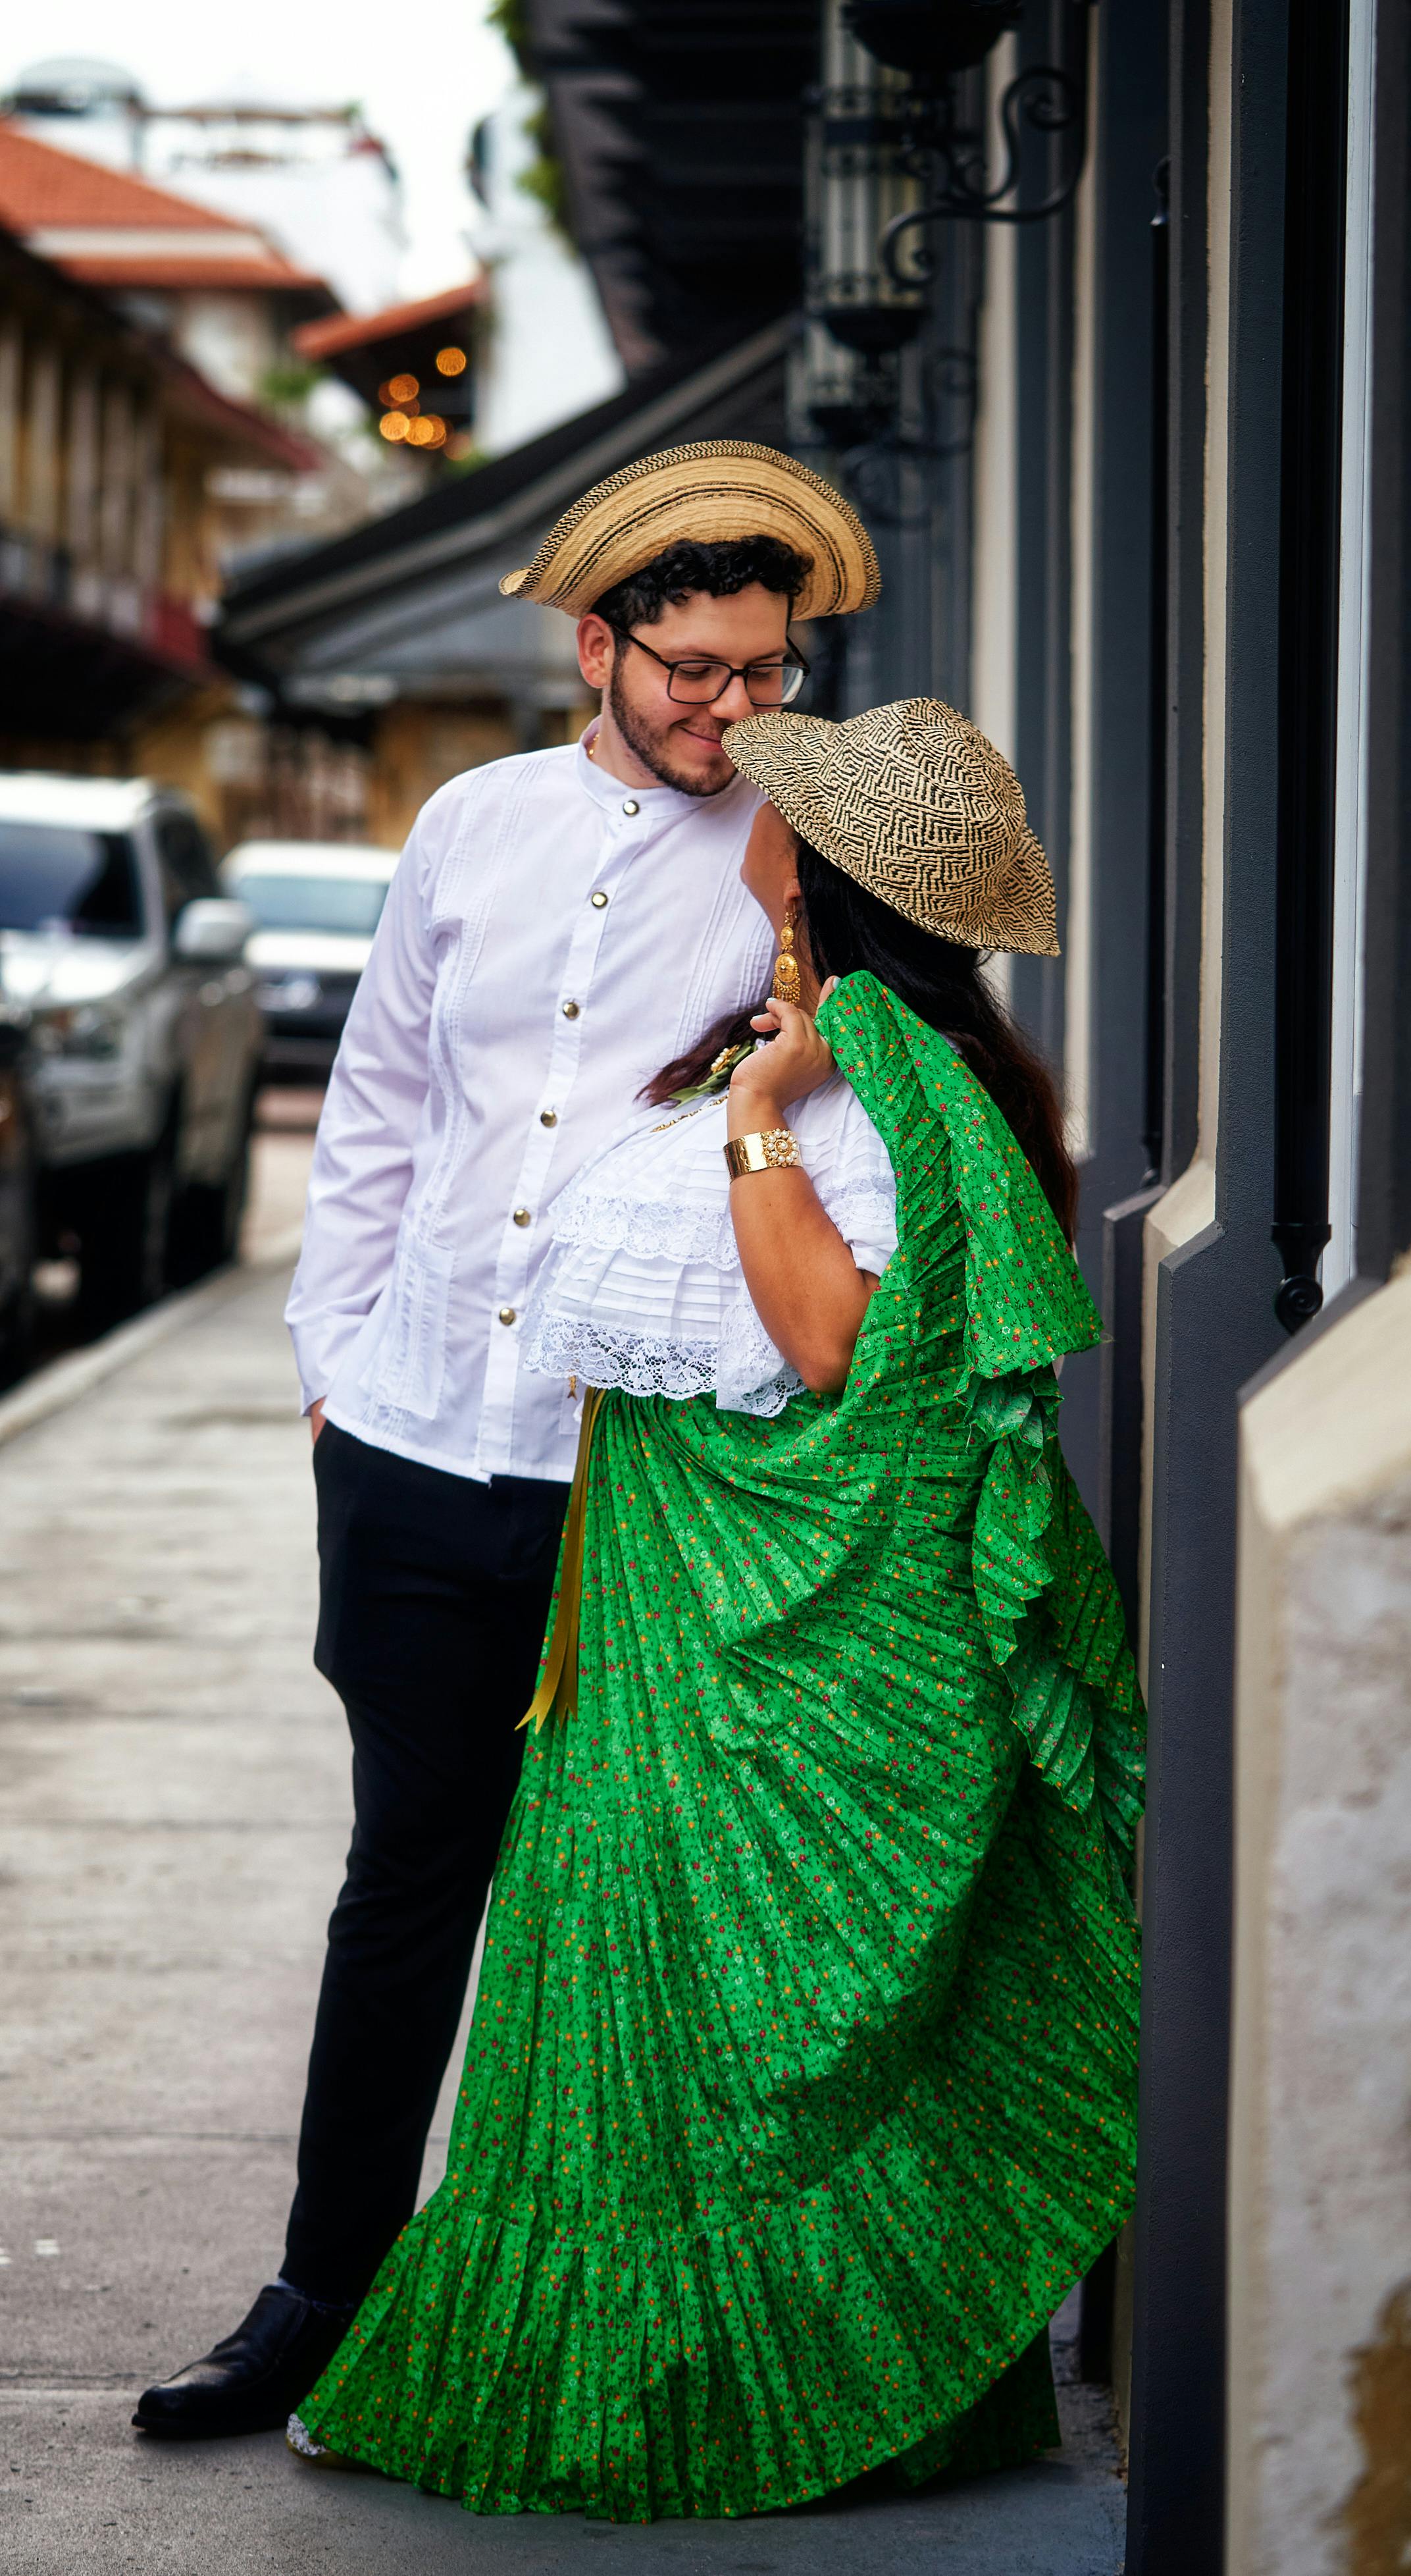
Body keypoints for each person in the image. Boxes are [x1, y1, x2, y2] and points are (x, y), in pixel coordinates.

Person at [285, 697, 1146, 2519]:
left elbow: (834, 1340)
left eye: (793, 797)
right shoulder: (833, 1030)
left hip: (758, 1637)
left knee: (698, 2014)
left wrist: (757, 1112)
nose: (754, 790)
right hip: (655, 1599)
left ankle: (710, 2394)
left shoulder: (872, 1068)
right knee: (613, 1980)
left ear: (816, 869)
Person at [132, 443, 880, 2442]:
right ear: (597, 643)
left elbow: (838, 1132)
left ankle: (625, 2326)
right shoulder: (467, 824)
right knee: (405, 1883)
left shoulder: (797, 862)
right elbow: (373, 1110)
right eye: (697, 668)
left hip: (643, 1483)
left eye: (766, 673)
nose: (733, 708)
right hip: (404, 1443)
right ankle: (323, 2290)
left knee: (631, 1907)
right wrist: (329, 1362)